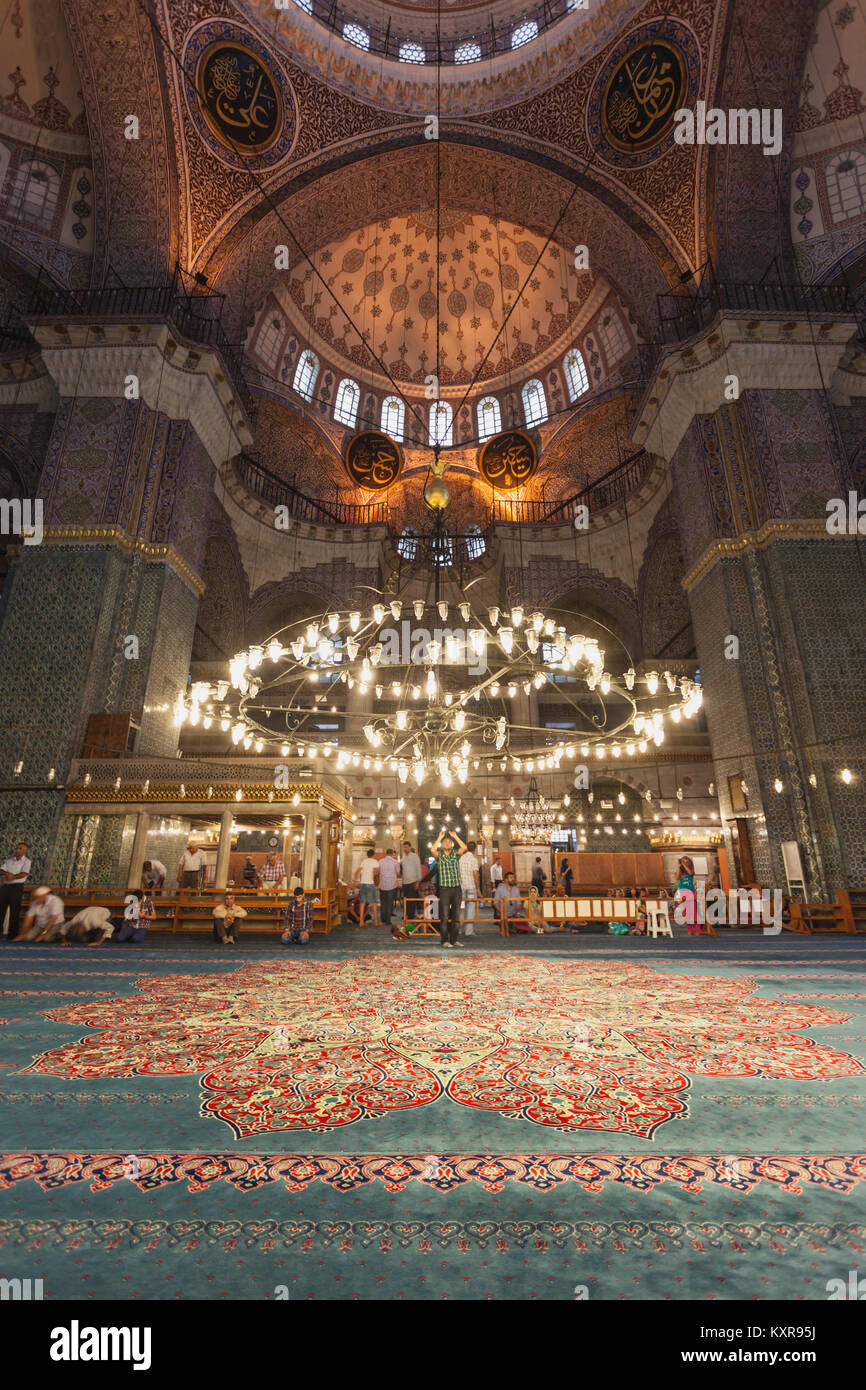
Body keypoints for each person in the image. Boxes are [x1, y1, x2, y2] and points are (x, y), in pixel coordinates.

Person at [430, 825, 466, 947]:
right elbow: (432, 849)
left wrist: (455, 836)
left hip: (457, 889)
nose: (447, 843)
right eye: (445, 842)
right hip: (445, 889)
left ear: (452, 845)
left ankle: (454, 940)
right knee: (444, 916)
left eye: (449, 841)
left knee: (456, 917)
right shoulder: (439, 856)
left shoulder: (456, 854)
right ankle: (444, 940)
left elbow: (464, 847)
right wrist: (440, 838)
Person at [0, 841, 31, 940]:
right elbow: (1, 870)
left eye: (20, 848)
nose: (17, 850)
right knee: (1, 910)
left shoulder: (27, 861)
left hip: (16, 887)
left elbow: (24, 874)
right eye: (17, 848)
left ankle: (12, 934)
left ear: (25, 850)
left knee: (14, 911)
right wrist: (7, 874)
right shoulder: (9, 861)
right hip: (5, 887)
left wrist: (12, 877)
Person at [459, 838, 480, 937]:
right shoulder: (474, 859)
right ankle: (469, 931)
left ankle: (459, 930)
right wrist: (478, 889)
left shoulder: (461, 859)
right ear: (474, 849)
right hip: (471, 887)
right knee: (471, 909)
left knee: (461, 908)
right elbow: (475, 875)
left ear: (466, 848)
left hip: (461, 887)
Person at [675, 855, 698, 935]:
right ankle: (690, 930)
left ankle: (697, 929)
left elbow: (690, 872)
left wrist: (684, 864)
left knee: (694, 911)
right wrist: (678, 867)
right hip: (683, 891)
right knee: (687, 911)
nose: (684, 862)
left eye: (686, 861)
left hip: (690, 891)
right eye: (683, 861)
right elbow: (677, 878)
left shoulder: (690, 870)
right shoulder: (680, 872)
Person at [377, 847, 400, 926]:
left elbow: (378, 872)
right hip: (391, 885)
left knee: (383, 902)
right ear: (392, 854)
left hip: (382, 884)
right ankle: (388, 920)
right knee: (389, 903)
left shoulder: (380, 861)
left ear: (386, 853)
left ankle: (383, 918)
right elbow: (398, 873)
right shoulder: (395, 862)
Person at [357, 849, 380, 927]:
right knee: (373, 903)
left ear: (367, 855)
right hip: (370, 883)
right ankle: (376, 922)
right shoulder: (375, 861)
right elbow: (375, 872)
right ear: (374, 855)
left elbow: (357, 871)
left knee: (362, 903)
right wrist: (377, 876)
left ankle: (361, 922)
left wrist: (354, 880)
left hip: (363, 883)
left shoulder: (364, 861)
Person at [400, 840, 422, 916]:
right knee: (405, 901)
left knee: (411, 902)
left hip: (413, 882)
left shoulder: (415, 856)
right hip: (405, 883)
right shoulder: (403, 858)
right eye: (404, 847)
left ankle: (411, 918)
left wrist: (418, 882)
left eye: (406, 847)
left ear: (410, 847)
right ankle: (407, 917)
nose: (405, 849)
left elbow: (418, 869)